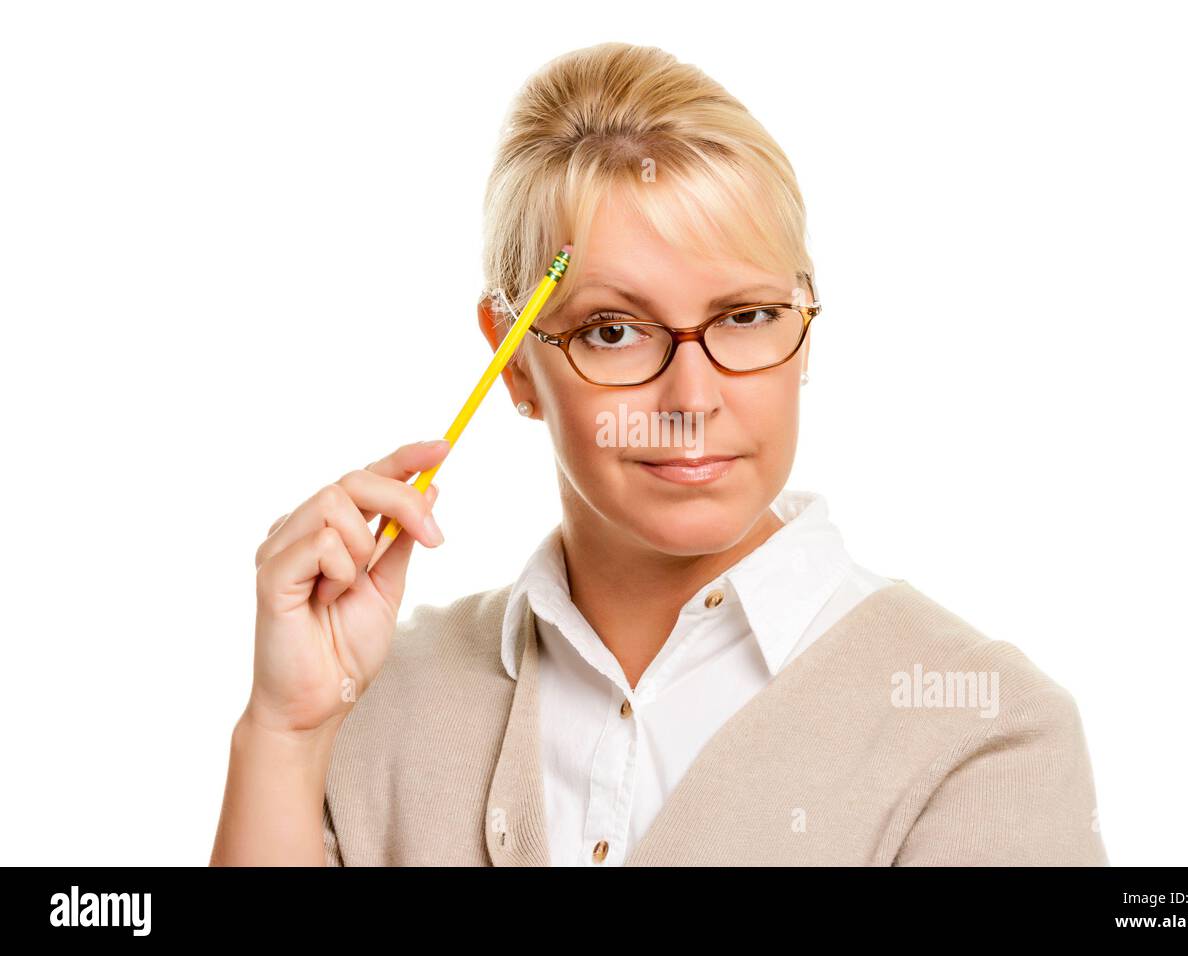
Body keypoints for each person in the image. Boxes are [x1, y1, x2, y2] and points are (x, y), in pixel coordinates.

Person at [211, 41, 1107, 867]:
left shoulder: (986, 734)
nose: (691, 400)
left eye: (748, 316)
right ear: (513, 361)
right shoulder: (372, 703)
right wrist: (287, 736)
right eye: (614, 330)